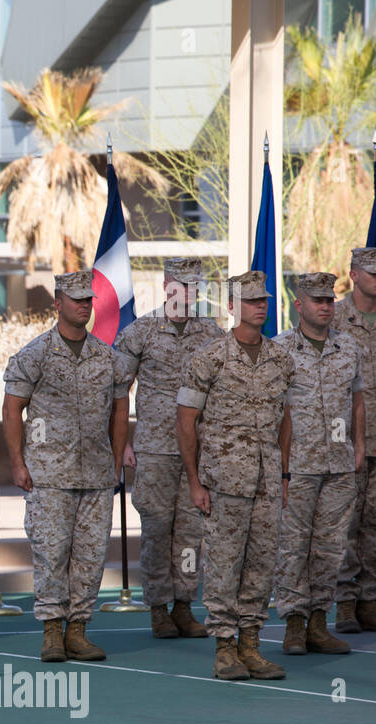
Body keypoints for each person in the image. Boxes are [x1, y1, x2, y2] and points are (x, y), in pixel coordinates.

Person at [3, 270, 128, 662]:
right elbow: (12, 409)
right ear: (57, 304)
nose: (84, 306)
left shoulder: (107, 358)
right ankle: (52, 632)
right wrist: (18, 463)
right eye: (76, 300)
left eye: (88, 300)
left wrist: (116, 462)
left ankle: (78, 630)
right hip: (49, 475)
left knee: (90, 556)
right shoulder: (35, 354)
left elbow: (120, 410)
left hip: (95, 474)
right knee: (51, 552)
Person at [175, 270, 294, 680]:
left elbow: (285, 417)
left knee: (261, 565)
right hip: (224, 482)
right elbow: (186, 420)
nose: (260, 306)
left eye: (263, 300)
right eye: (251, 301)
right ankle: (225, 647)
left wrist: (283, 474)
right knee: (224, 564)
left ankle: (251, 645)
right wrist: (194, 481)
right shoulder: (209, 358)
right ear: (231, 307)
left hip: (264, 481)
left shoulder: (281, 359)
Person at [114, 257, 224, 639]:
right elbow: (117, 393)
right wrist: (124, 442)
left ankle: (183, 604)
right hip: (155, 449)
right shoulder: (140, 332)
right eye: (180, 285)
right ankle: (158, 608)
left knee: (192, 533)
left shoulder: (211, 334)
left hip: (198, 451)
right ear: (166, 286)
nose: (187, 293)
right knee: (157, 531)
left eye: (194, 287)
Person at [273, 272, 360, 656]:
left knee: (329, 547)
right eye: (317, 300)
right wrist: (281, 466)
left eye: (329, 300)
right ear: (299, 304)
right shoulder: (279, 350)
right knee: (293, 546)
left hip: (338, 466)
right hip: (299, 465)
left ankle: (319, 622)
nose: (325, 307)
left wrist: (359, 445)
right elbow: (276, 410)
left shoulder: (348, 348)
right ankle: (294, 623)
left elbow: (357, 400)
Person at [331, 246, 376, 633]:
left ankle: (370, 597)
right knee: (345, 522)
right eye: (372, 272)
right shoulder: (332, 318)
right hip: (346, 442)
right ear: (354, 274)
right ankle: (345, 600)